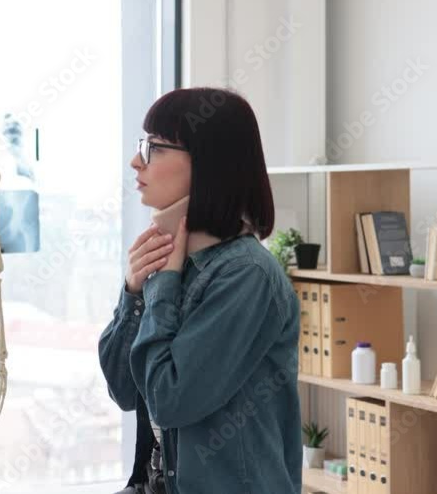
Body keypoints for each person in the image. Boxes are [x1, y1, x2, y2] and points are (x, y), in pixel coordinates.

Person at [99, 88, 301, 493]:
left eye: (154, 147)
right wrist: (134, 291)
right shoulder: (176, 261)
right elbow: (123, 389)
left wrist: (163, 287)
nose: (136, 161)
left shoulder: (246, 275)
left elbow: (169, 401)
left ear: (208, 163)